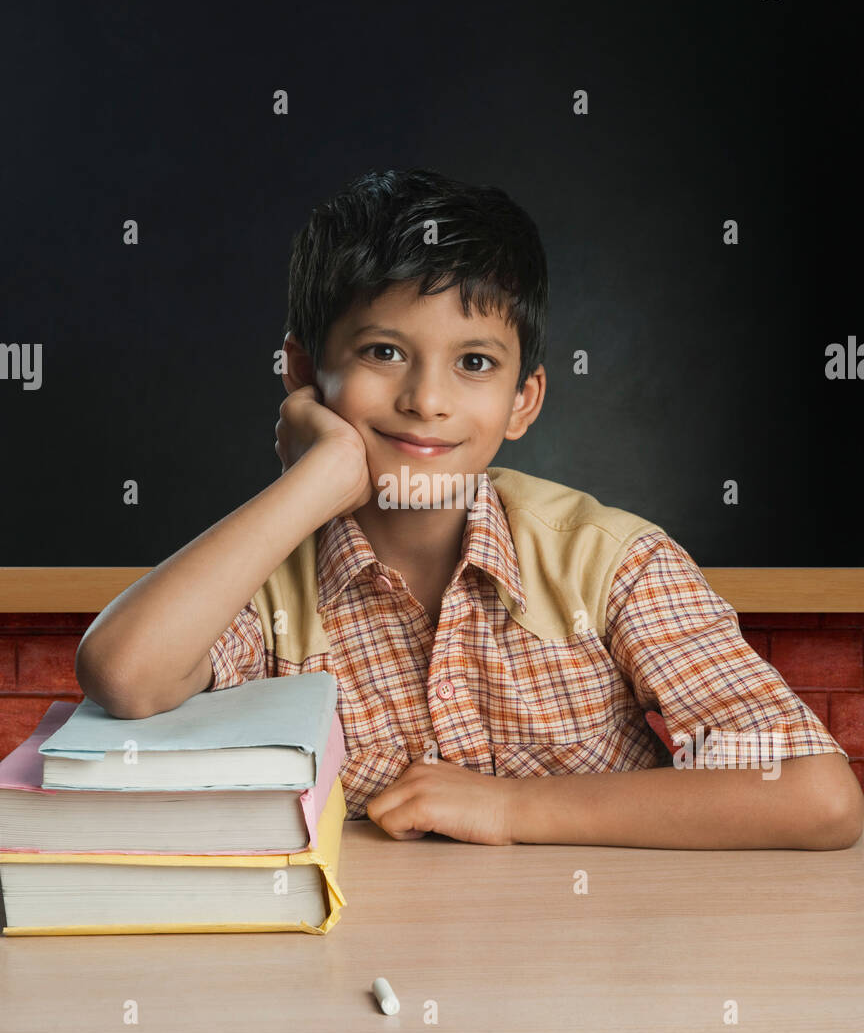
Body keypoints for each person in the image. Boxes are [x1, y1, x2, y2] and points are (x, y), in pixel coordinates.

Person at [75, 168, 862, 850]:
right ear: (304, 371)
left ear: (525, 401)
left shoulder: (609, 562)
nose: (426, 401)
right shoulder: (268, 580)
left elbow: (816, 794)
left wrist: (514, 806)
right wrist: (316, 479)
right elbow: (124, 675)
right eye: (384, 352)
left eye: (474, 363)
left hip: (594, 969)